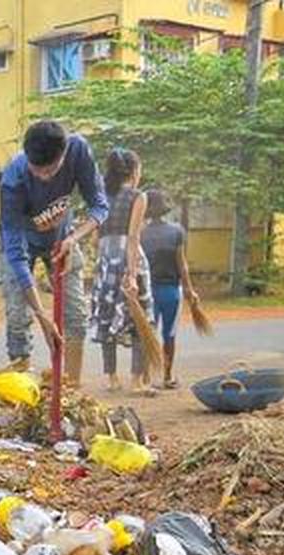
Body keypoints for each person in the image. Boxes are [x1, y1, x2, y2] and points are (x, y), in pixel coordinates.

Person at [0, 120, 109, 386]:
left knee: (76, 316)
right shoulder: (13, 178)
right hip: (19, 241)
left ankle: (70, 390)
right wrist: (42, 315)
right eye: (38, 171)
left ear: (64, 154)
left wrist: (74, 237)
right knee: (17, 315)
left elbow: (100, 206)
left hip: (63, 240)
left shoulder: (78, 151)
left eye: (51, 170)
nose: (45, 177)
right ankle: (21, 385)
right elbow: (15, 253)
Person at [89, 149, 154, 395]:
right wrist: (131, 273)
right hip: (129, 261)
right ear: (134, 171)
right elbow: (133, 236)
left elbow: (95, 239)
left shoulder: (101, 197)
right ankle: (136, 381)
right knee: (139, 319)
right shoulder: (138, 196)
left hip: (106, 264)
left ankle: (112, 379)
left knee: (106, 318)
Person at [141, 189, 198, 389]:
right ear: (165, 209)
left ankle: (146, 378)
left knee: (149, 334)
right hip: (171, 291)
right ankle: (167, 376)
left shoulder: (141, 233)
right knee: (169, 334)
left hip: (148, 292)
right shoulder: (176, 231)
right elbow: (182, 264)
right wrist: (190, 290)